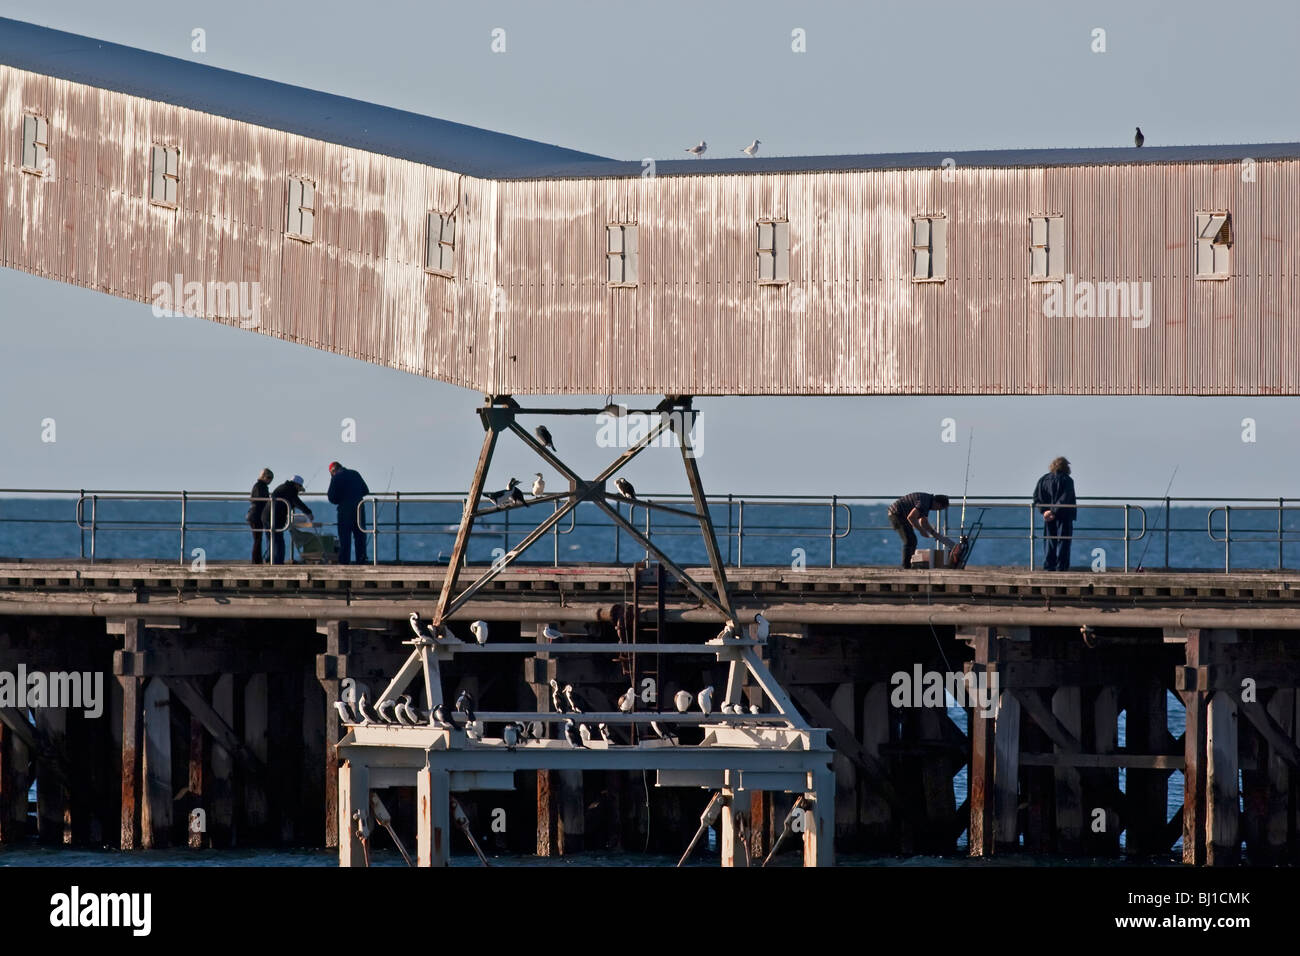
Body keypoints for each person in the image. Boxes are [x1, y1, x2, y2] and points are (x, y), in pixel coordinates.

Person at [888, 492, 954, 568]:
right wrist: (921, 531)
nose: (937, 510)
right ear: (938, 503)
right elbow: (911, 517)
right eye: (939, 508)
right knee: (909, 540)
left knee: (912, 540)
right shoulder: (924, 503)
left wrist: (934, 534)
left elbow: (923, 522)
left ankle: (909, 565)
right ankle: (906, 566)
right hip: (897, 513)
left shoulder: (928, 502)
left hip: (901, 514)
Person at [1034, 457, 1077, 571]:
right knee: (1063, 541)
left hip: (1048, 517)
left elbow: (1037, 497)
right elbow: (1065, 498)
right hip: (1064, 515)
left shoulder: (1043, 479)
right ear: (1065, 467)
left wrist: (1045, 511)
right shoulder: (1067, 480)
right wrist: (1054, 511)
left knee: (1049, 541)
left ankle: (1049, 565)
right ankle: (1061, 566)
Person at [326, 461, 371, 565]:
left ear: (333, 470)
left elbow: (331, 498)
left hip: (344, 511)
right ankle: (361, 560)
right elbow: (365, 490)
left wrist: (341, 500)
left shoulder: (336, 477)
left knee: (345, 537)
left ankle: (344, 562)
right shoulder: (355, 473)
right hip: (359, 508)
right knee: (360, 535)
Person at [266, 474, 314, 565]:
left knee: (273, 539)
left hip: (269, 516)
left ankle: (272, 560)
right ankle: (277, 562)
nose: (299, 489)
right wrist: (308, 512)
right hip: (273, 517)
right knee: (278, 541)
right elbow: (297, 502)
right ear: (296, 484)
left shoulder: (285, 487)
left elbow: (293, 500)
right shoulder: (290, 490)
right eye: (299, 487)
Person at [246, 467, 273, 564]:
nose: (270, 481)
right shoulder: (260, 486)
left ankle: (257, 560)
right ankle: (256, 560)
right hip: (255, 516)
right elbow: (259, 501)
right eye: (269, 478)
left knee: (258, 538)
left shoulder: (260, 486)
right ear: (265, 477)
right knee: (257, 539)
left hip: (256, 515)